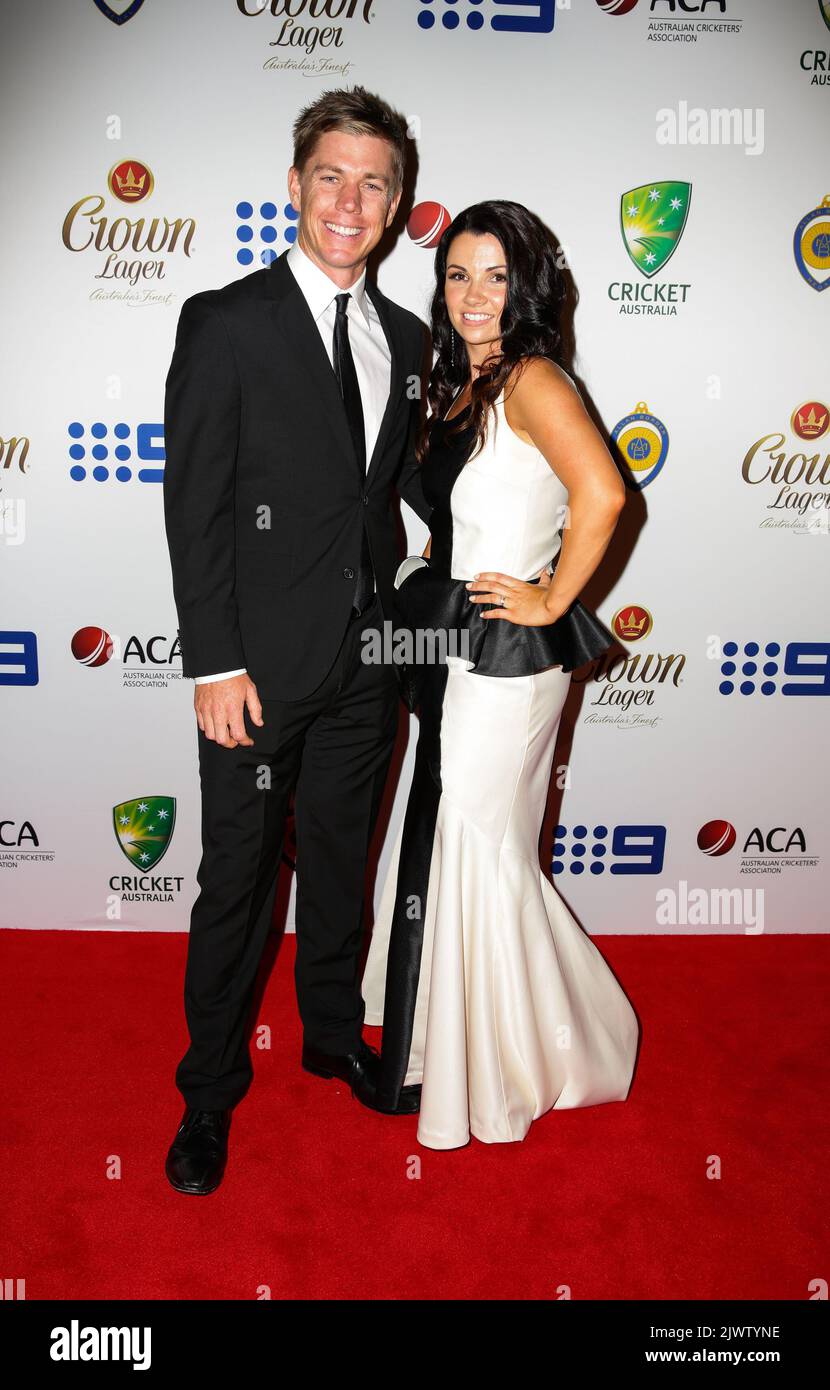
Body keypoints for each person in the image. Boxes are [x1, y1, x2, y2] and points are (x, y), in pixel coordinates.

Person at [161, 86, 434, 1195]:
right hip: (256, 673)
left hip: (368, 668)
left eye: (373, 182)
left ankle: (329, 1036)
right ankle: (209, 1092)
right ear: (293, 184)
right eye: (332, 174)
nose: (350, 199)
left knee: (336, 864)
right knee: (236, 882)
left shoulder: (408, 339)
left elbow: (401, 493)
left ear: (397, 203)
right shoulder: (224, 322)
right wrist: (213, 662)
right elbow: (196, 506)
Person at [362, 200, 641, 1150]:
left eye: (494, 275)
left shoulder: (532, 379)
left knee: (482, 842)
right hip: (457, 648)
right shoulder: (462, 381)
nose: (473, 295)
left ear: (528, 286)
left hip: (511, 661)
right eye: (456, 274)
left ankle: (529, 1056)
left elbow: (603, 492)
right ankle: (456, 1029)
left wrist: (554, 599)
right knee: (461, 837)